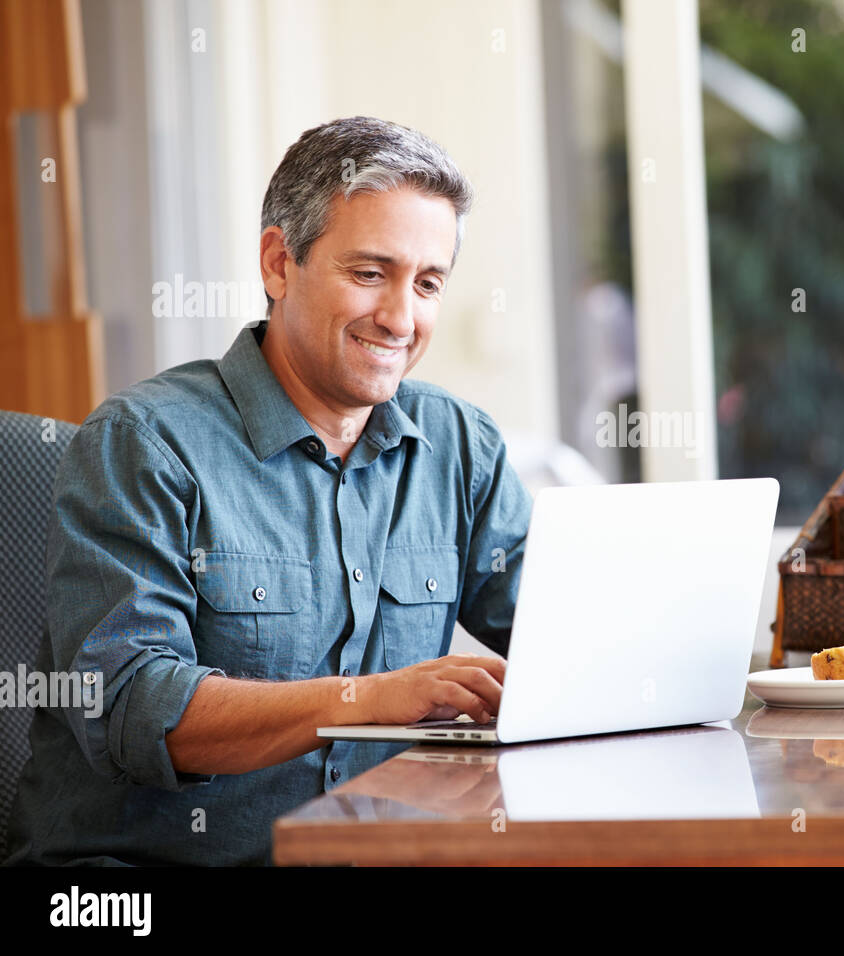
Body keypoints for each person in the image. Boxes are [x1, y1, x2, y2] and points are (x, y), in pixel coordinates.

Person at [4, 117, 532, 866]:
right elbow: (129, 708)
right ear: (280, 264)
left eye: (428, 283)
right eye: (370, 273)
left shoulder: (460, 447)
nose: (400, 317)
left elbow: (564, 642)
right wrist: (370, 699)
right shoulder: (145, 442)